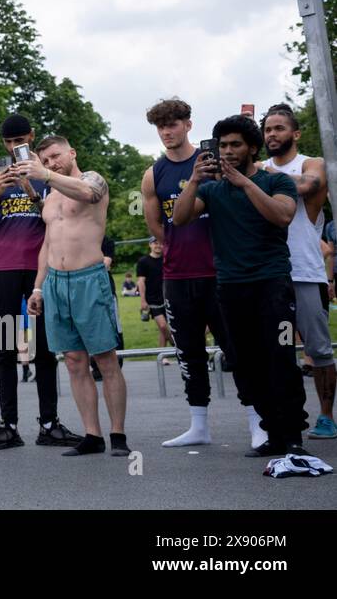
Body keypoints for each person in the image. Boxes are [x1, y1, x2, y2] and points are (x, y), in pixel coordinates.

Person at [172, 115, 310, 456]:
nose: (229, 151)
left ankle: (292, 435)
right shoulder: (212, 190)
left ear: (251, 147)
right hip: (232, 289)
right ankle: (271, 433)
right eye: (223, 146)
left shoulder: (276, 182)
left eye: (236, 145)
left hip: (272, 286)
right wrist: (193, 180)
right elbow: (179, 218)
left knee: (280, 358)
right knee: (246, 364)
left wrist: (245, 183)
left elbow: (282, 216)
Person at [139, 98, 246, 448]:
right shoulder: (153, 174)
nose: (167, 131)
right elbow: (158, 227)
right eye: (161, 126)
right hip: (178, 275)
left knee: (237, 349)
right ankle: (199, 425)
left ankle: (258, 422)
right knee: (189, 352)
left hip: (221, 271)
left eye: (173, 123)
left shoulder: (215, 163)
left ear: (188, 124)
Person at [0, 116, 80, 450]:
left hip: (41, 266)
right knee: (4, 350)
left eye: (20, 139)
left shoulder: (49, 169)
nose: (14, 146)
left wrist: (33, 187)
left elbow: (59, 214)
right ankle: (8, 425)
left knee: (45, 349)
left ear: (31, 137)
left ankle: (49, 424)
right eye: (8, 142)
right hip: (3, 266)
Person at [24, 137, 128, 456]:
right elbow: (48, 243)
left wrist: (45, 174)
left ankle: (118, 435)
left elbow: (89, 193)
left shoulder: (91, 179)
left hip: (89, 279)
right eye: (45, 159)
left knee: (105, 359)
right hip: (56, 281)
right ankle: (92, 435)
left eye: (55, 156)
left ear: (72, 152)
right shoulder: (50, 195)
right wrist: (39, 286)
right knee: (73, 360)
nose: (51, 162)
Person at [261, 103, 336, 440]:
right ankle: (287, 417)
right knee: (279, 348)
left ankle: (326, 416)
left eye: (278, 128)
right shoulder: (259, 167)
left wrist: (257, 178)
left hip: (305, 271)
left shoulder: (310, 162)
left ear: (295, 133)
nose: (272, 134)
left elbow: (307, 184)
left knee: (318, 349)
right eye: (266, 129)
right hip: (270, 275)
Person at [135, 239, 172, 361]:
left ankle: (163, 356)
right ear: (150, 245)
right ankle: (177, 346)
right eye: (155, 243)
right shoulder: (143, 261)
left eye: (160, 243)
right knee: (162, 326)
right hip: (153, 300)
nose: (158, 245)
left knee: (164, 330)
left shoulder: (167, 258)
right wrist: (143, 300)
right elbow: (141, 281)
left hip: (169, 297)